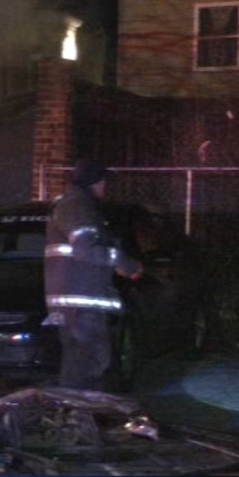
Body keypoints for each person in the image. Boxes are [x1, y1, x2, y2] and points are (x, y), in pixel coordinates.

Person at [44, 159, 142, 391]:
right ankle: (77, 418)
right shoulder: (78, 206)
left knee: (84, 364)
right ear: (96, 182)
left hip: (77, 303)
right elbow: (86, 249)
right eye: (104, 181)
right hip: (81, 304)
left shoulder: (73, 205)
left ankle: (77, 416)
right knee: (88, 364)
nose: (105, 187)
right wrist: (123, 262)